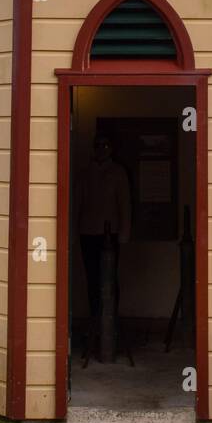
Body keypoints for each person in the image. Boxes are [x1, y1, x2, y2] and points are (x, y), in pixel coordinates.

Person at [77, 138, 131, 323]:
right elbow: (77, 203)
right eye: (98, 145)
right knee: (92, 278)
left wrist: (124, 234)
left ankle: (110, 319)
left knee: (109, 278)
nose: (101, 149)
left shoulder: (117, 172)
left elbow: (125, 204)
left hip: (110, 233)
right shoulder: (85, 173)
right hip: (87, 232)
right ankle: (95, 319)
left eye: (105, 145)